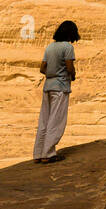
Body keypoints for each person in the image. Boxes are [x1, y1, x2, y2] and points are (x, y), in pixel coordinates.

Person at [33, 20, 80, 164]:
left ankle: (38, 153)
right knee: (56, 119)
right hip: (60, 87)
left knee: (44, 120)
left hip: (48, 86)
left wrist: (52, 73)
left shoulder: (50, 47)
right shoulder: (68, 47)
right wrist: (72, 75)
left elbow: (42, 68)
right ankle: (48, 154)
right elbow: (69, 67)